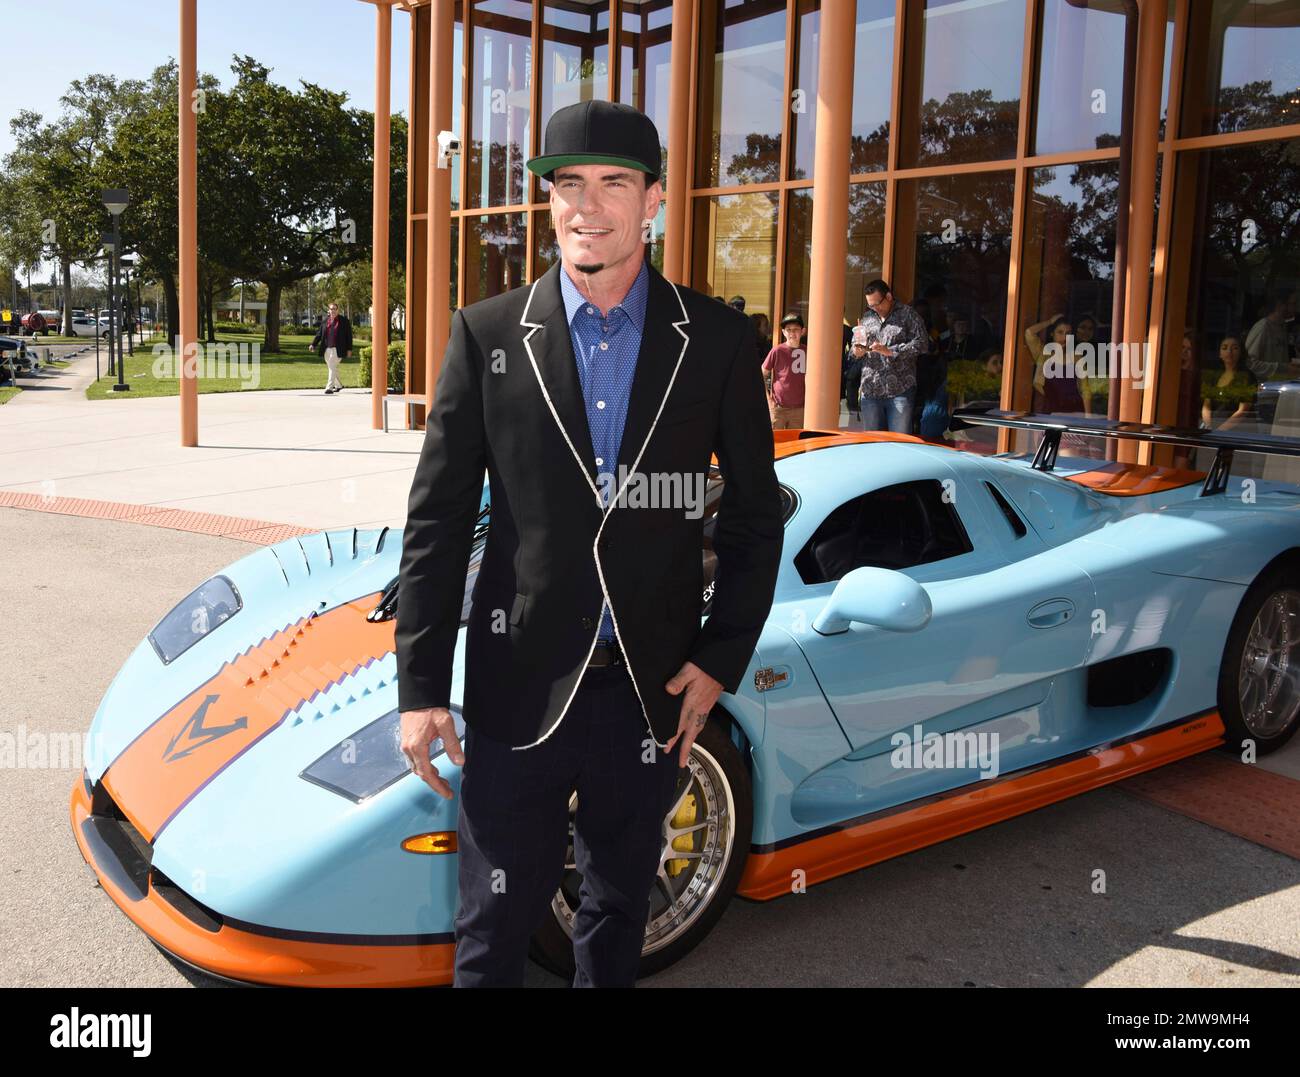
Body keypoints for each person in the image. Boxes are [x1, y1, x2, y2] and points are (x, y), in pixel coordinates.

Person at [394, 99, 783, 989]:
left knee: (616, 919)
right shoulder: (487, 334)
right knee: (492, 926)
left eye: (614, 183)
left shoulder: (716, 340)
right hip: (516, 684)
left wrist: (722, 655)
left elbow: (757, 516)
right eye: (569, 183)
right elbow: (438, 524)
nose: (589, 205)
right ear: (549, 200)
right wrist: (420, 686)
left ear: (653, 199)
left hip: (651, 695)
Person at [856, 279, 929, 433]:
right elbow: (855, 346)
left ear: (888, 296)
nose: (875, 308)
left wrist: (891, 351)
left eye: (877, 304)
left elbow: (922, 344)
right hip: (870, 390)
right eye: (871, 305)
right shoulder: (867, 318)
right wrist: (857, 351)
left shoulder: (908, 314)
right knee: (871, 444)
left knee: (899, 444)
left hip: (900, 391)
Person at [1202, 334, 1257, 432]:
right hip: (1212, 431)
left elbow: (1243, 411)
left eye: (1234, 348)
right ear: (1219, 353)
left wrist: (1219, 431)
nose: (1229, 351)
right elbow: (1206, 405)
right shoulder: (1214, 376)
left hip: (1237, 432)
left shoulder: (1247, 376)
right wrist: (1208, 426)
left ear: (1241, 353)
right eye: (1224, 348)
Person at [762, 312, 807, 429]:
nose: (792, 333)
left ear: (803, 331)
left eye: (796, 329)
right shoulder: (777, 351)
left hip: (799, 409)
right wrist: (769, 401)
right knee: (777, 442)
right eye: (788, 330)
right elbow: (762, 374)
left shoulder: (808, 351)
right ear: (783, 332)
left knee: (796, 443)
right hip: (778, 408)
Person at [311, 302, 352, 394]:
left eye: (335, 309)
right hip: (327, 349)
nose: (333, 310)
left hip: (338, 349)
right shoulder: (325, 321)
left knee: (332, 366)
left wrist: (349, 349)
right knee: (332, 367)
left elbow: (349, 336)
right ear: (328, 311)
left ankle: (329, 387)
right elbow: (319, 334)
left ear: (338, 310)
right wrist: (313, 344)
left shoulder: (344, 321)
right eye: (331, 309)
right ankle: (339, 385)